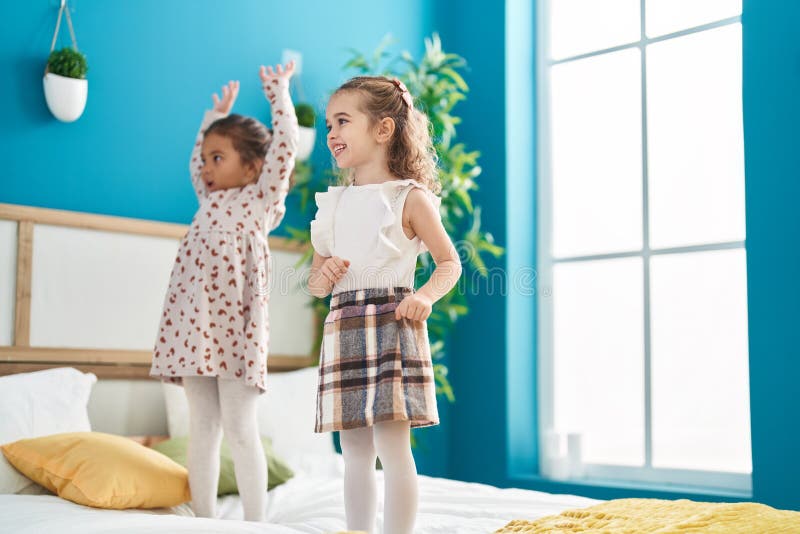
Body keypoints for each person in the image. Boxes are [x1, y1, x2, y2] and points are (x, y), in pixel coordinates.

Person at [308, 76, 462, 534]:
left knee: (393, 449)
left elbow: (449, 263)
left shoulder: (408, 198)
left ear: (383, 129)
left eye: (342, 121)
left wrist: (424, 296)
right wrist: (324, 277)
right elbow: (315, 285)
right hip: (345, 327)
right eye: (328, 124)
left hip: (393, 324)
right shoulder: (332, 205)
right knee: (354, 451)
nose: (331, 133)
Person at [150, 62, 298, 521]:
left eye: (219, 158)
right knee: (202, 427)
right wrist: (212, 121)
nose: (207, 167)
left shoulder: (261, 201)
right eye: (206, 158)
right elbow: (195, 164)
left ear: (252, 166)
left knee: (240, 427)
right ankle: (205, 520)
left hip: (238, 331)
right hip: (193, 330)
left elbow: (285, 147)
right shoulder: (208, 200)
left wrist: (279, 95)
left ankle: (255, 523)